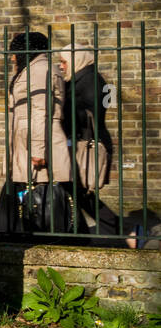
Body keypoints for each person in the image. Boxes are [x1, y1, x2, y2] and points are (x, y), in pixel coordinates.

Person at [0, 31, 76, 234]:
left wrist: (38, 150)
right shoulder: (33, 69)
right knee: (21, 189)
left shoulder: (39, 71)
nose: (12, 57)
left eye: (15, 52)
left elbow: (39, 111)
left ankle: (7, 232)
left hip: (36, 140)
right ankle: (0, 231)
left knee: (40, 191)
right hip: (26, 138)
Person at [56, 44, 139, 247]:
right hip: (80, 141)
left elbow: (92, 113)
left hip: (86, 144)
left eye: (64, 61)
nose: (61, 65)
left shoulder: (90, 80)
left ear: (77, 59)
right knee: (77, 191)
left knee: (78, 190)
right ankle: (115, 231)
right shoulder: (80, 79)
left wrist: (61, 113)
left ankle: (117, 231)